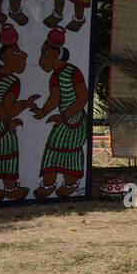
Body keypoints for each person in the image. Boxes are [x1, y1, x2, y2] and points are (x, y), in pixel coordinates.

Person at [0, 23, 37, 202]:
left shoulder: (4, 79)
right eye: (16, 52)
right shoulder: (4, 80)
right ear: (4, 57)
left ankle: (9, 188)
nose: (24, 55)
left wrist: (25, 104)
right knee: (1, 156)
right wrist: (7, 119)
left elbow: (7, 107)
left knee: (4, 156)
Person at [31, 28, 89, 199]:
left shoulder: (73, 72)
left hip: (75, 119)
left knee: (67, 150)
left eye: (45, 53)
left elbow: (83, 98)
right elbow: (54, 98)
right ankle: (49, 184)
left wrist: (64, 116)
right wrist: (43, 111)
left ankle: (70, 184)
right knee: (53, 149)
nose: (42, 58)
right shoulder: (55, 76)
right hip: (64, 118)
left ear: (56, 54)